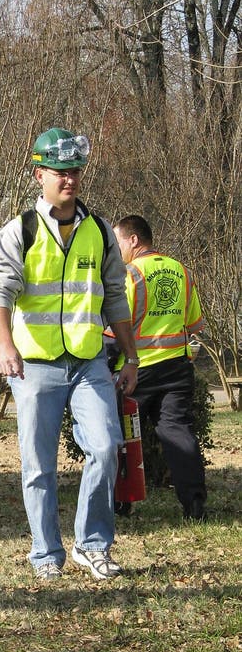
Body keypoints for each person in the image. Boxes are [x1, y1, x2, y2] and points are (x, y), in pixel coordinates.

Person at [0, 127, 140, 582]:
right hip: (34, 365)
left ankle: (92, 545)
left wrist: (129, 358)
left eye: (74, 171)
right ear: (39, 175)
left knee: (107, 447)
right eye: (59, 171)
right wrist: (5, 346)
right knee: (38, 465)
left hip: (89, 361)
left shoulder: (99, 232)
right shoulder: (19, 231)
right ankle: (46, 554)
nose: (68, 179)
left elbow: (115, 296)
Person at [111, 214, 207, 520]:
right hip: (178, 368)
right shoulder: (182, 271)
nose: (116, 249)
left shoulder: (129, 274)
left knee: (117, 436)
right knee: (178, 434)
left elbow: (115, 327)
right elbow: (194, 323)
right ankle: (194, 504)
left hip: (136, 371)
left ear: (134, 240)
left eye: (118, 242)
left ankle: (120, 501)